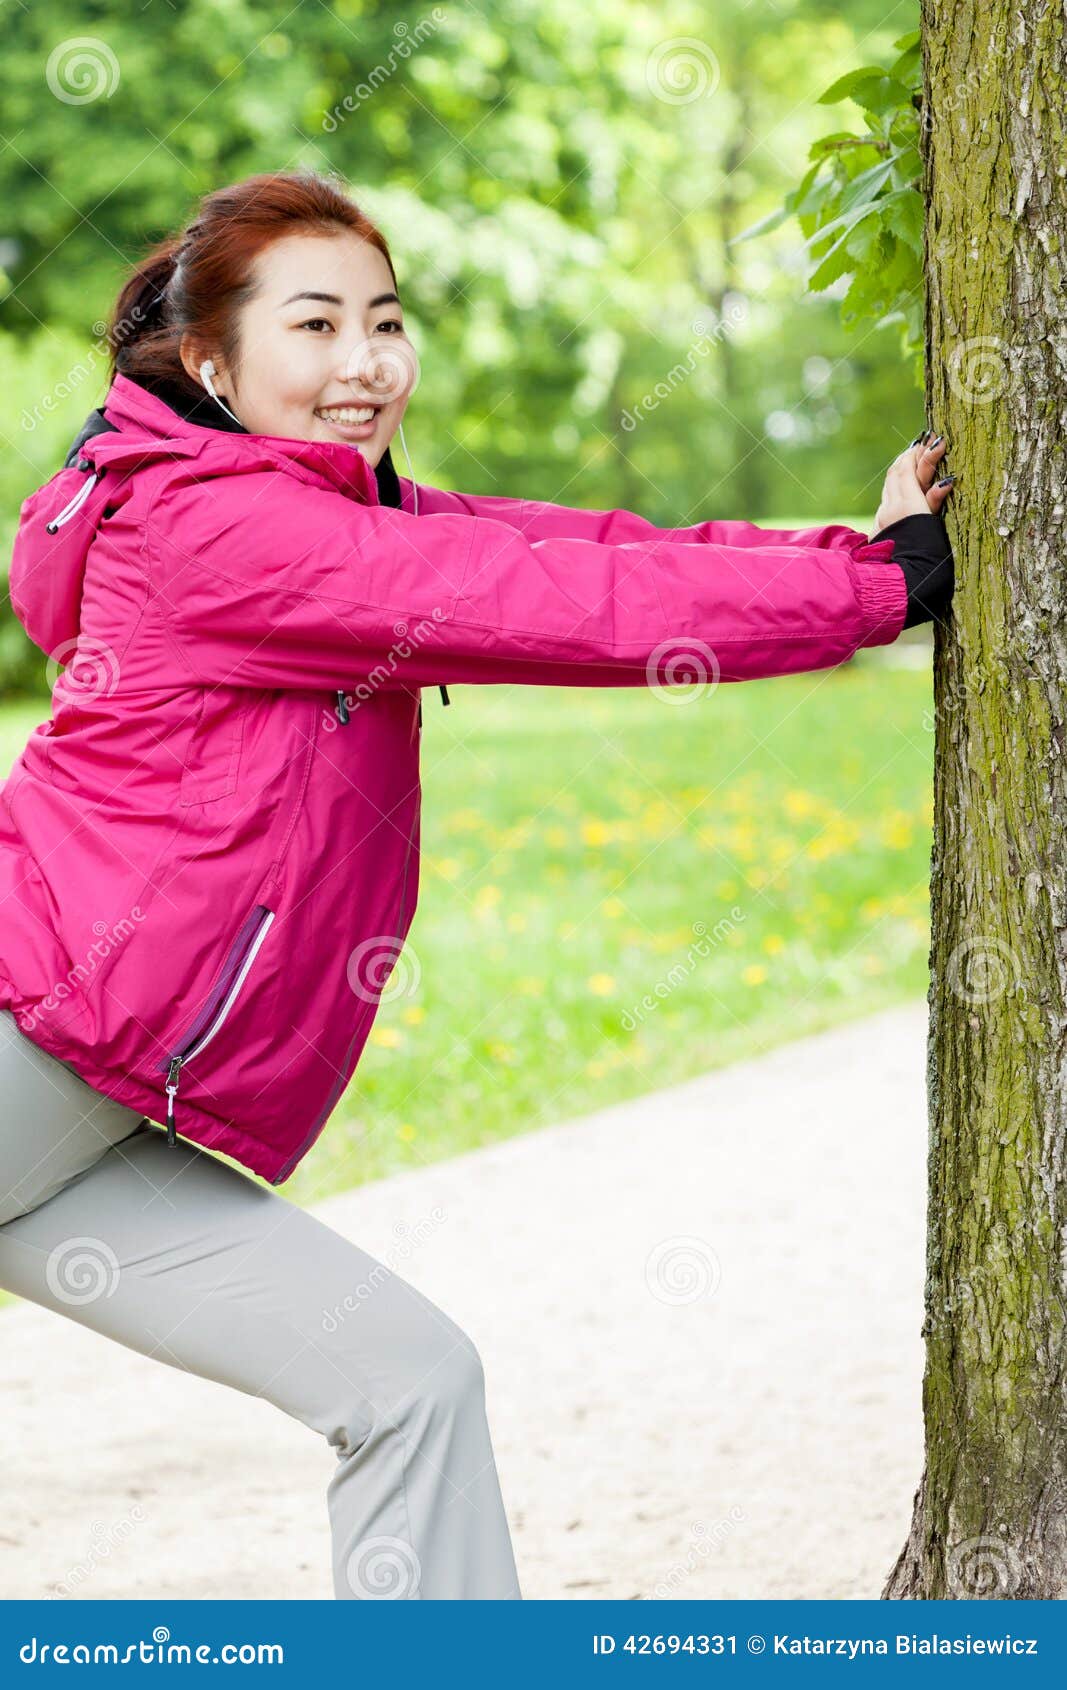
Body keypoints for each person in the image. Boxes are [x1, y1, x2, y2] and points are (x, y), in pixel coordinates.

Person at [0, 168, 956, 1600]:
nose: (364, 364)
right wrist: (874, 598)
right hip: (32, 1045)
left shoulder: (315, 506)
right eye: (313, 328)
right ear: (212, 360)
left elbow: (573, 550)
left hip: (78, 1091)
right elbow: (550, 613)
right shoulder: (228, 532)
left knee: (408, 1382)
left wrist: (849, 555)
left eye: (383, 323)